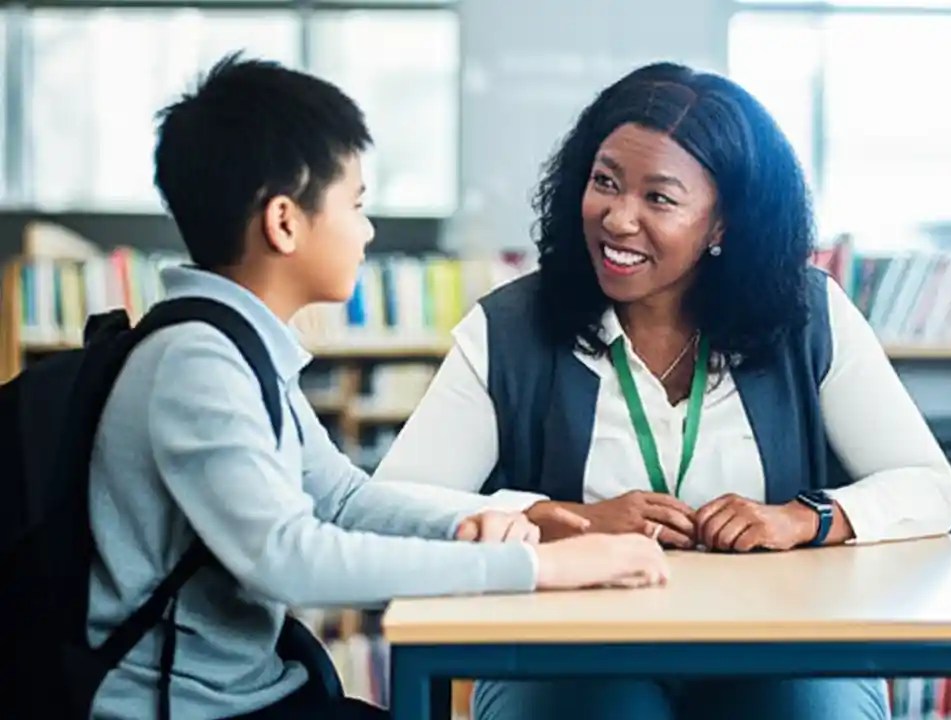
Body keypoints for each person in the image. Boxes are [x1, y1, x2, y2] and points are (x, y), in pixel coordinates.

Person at [86, 54, 668, 720]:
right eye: (355, 205)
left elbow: (338, 499)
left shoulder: (233, 347)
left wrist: (495, 527)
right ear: (284, 222)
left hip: (251, 696)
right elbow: (286, 558)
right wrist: (539, 571)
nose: (367, 231)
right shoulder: (197, 364)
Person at [375, 61, 951, 720]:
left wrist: (799, 519)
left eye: (659, 198)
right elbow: (391, 507)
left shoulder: (806, 315)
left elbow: (927, 485)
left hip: (782, 640)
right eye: (605, 183)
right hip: (569, 645)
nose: (618, 219)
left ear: (722, 225)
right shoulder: (510, 326)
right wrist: (559, 521)